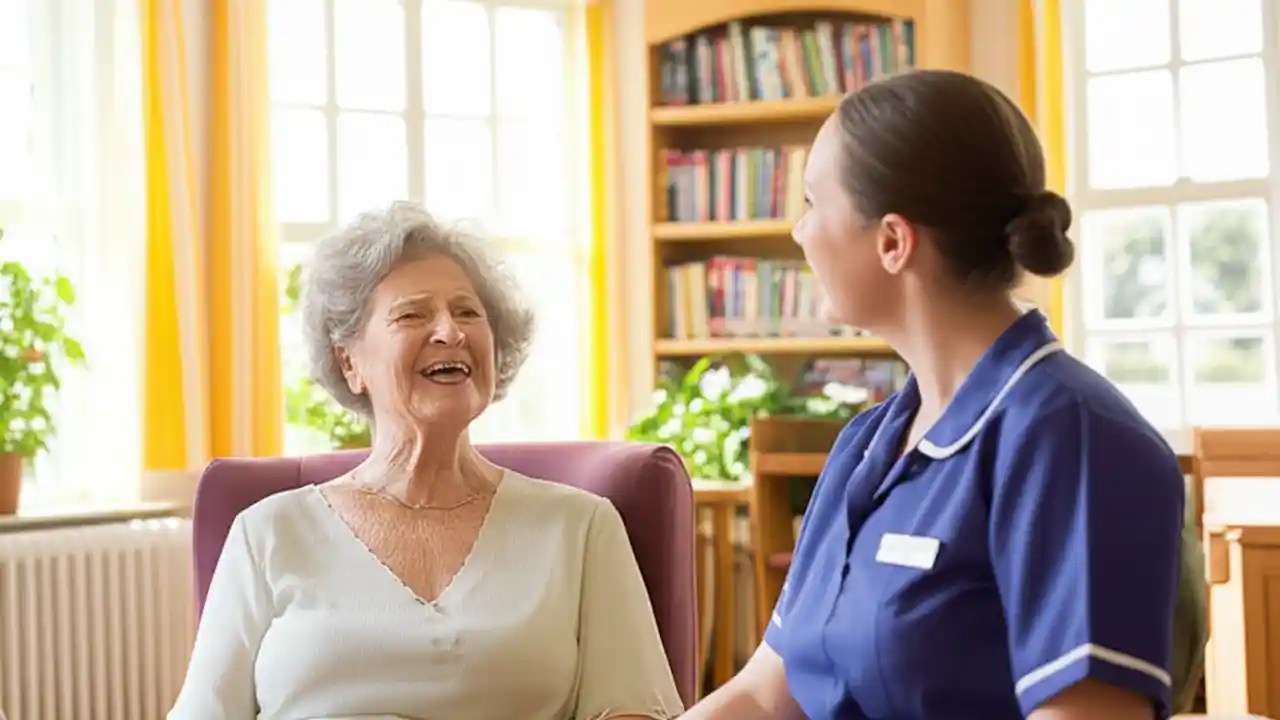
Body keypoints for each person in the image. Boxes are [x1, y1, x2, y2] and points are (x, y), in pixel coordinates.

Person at [682, 70, 1188, 720]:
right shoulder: (866, 447)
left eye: (812, 204)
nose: (798, 233)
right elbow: (763, 694)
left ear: (893, 241)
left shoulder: (1074, 438)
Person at [168, 202, 683, 720]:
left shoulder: (581, 528)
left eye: (467, 312)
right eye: (413, 314)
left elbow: (634, 710)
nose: (450, 332)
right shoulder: (268, 533)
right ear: (350, 362)